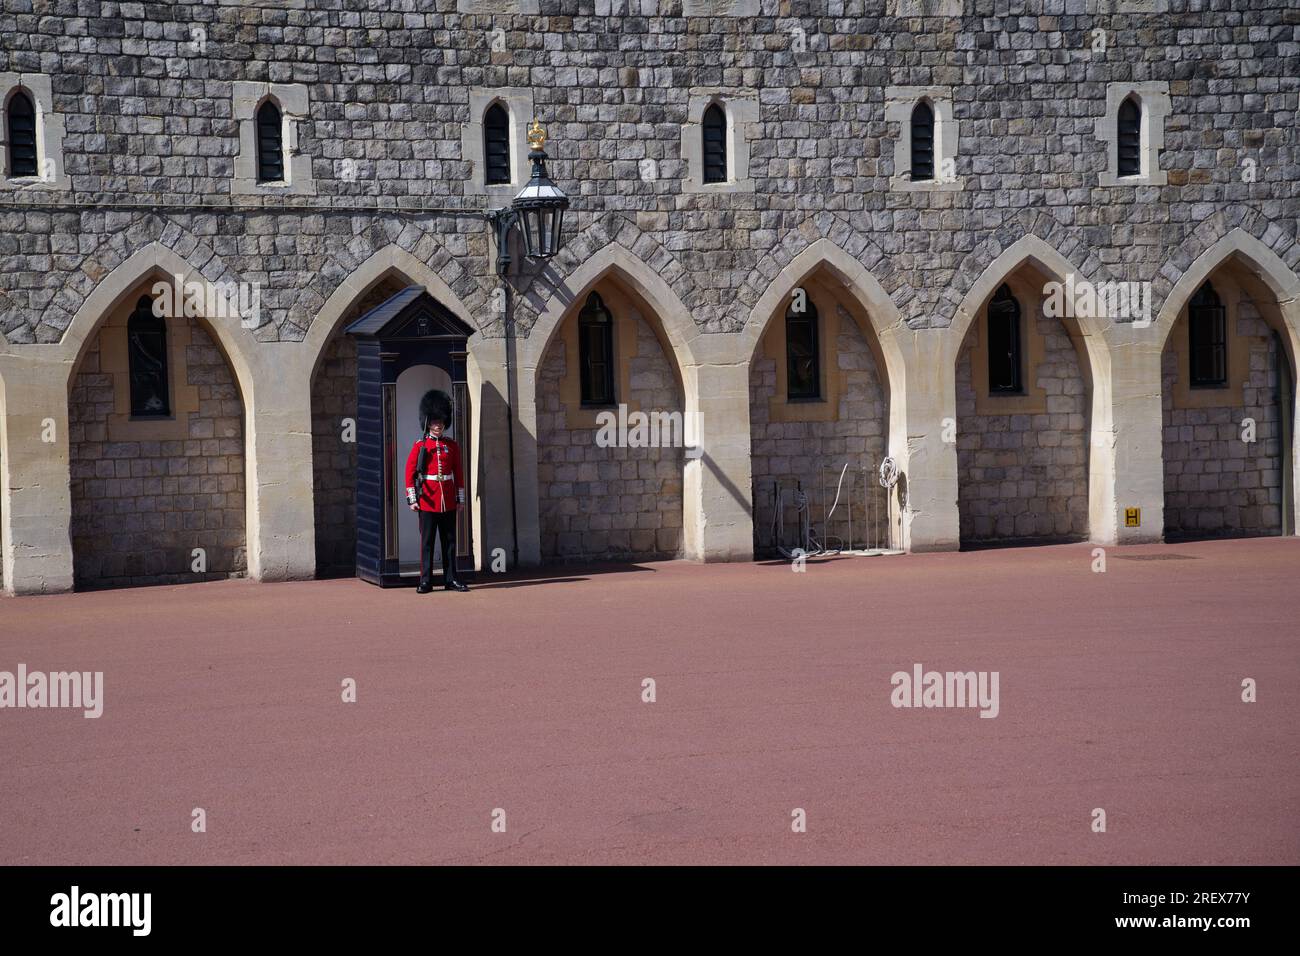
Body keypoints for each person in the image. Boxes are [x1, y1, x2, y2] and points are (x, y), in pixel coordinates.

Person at [404, 389, 469, 594]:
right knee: (427, 544)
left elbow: (458, 473)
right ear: (428, 423)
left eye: (440, 422)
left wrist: (460, 499)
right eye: (434, 422)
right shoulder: (421, 445)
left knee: (450, 543)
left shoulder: (452, 445)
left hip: (448, 500)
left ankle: (451, 579)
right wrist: (412, 499)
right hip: (428, 501)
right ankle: (425, 581)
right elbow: (410, 474)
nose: (438, 425)